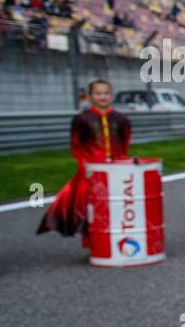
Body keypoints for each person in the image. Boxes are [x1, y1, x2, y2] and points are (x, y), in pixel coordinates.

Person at [36, 79, 131, 243]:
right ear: (90, 96)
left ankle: (117, 237)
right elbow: (76, 145)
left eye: (106, 93)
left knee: (116, 203)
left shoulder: (121, 119)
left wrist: (121, 161)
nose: (102, 97)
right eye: (98, 93)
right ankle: (93, 242)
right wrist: (84, 164)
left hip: (115, 168)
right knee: (89, 206)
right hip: (91, 168)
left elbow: (124, 142)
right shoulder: (82, 119)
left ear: (111, 95)